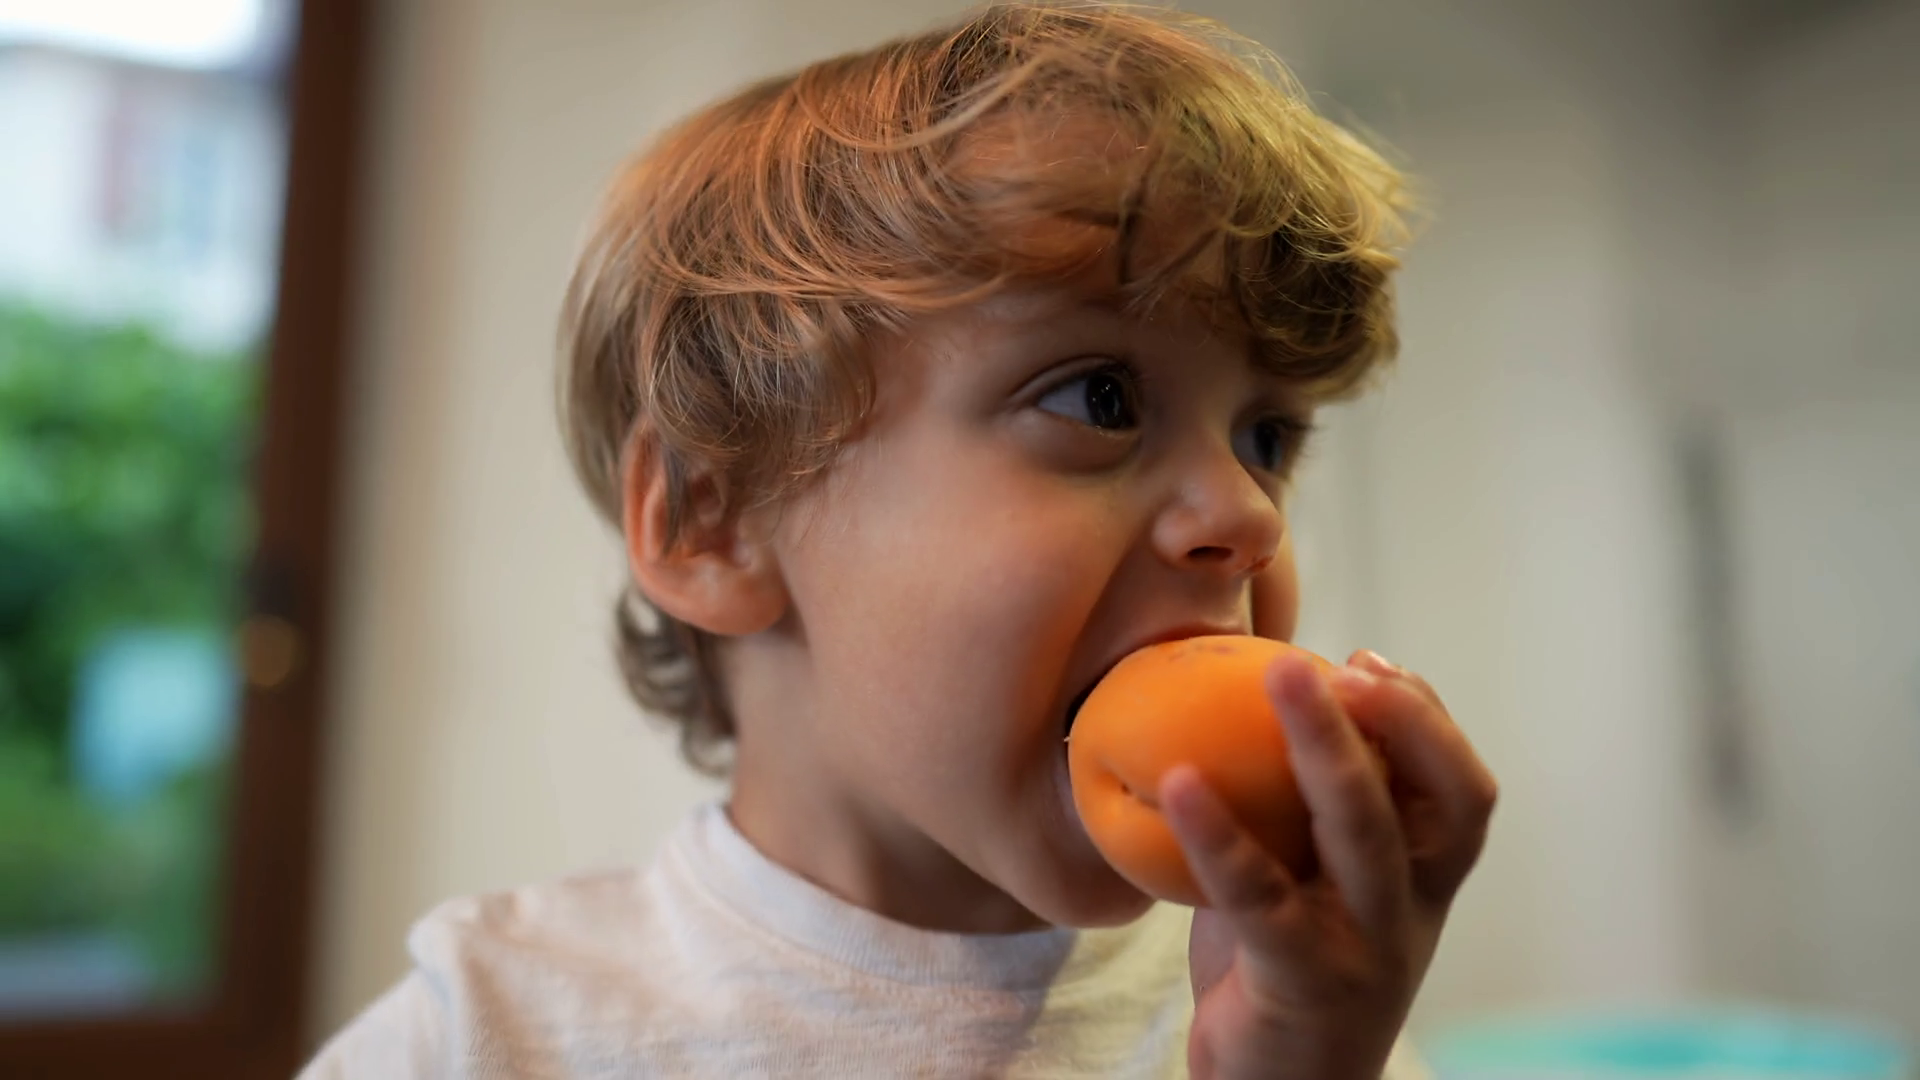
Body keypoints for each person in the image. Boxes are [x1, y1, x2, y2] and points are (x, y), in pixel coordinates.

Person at [300, 3, 1498, 1077]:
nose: (1246, 514)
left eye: (1268, 438)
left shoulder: (1286, 1020)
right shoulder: (492, 1037)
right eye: (1100, 400)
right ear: (711, 517)